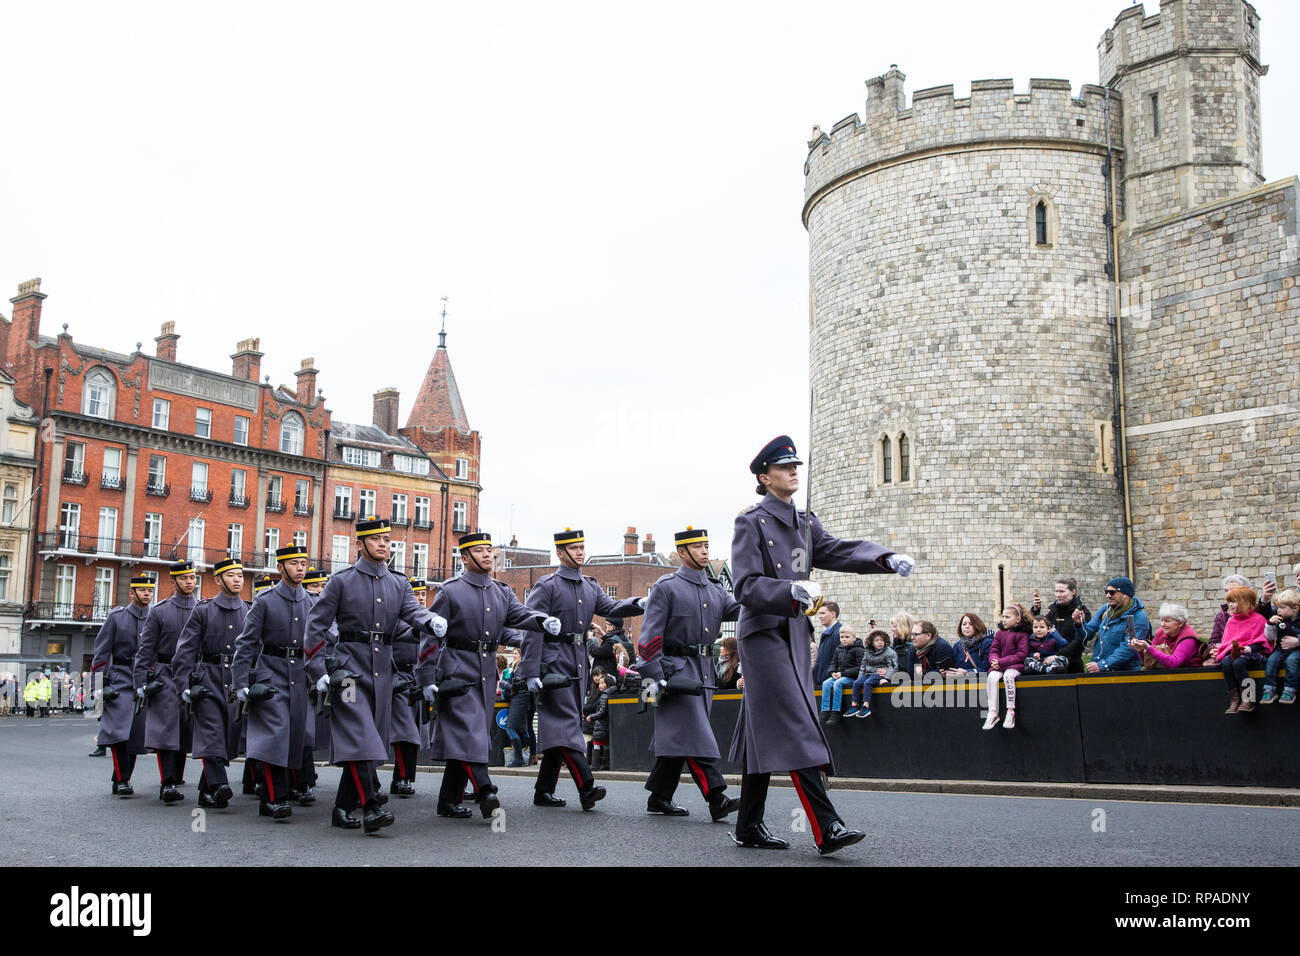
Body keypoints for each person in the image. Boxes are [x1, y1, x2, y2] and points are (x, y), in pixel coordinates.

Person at [729, 435, 914, 856]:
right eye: (784, 467)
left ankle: (748, 825)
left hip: (795, 634)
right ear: (764, 477)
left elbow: (838, 551)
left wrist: (885, 558)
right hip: (763, 635)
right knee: (796, 720)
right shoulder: (750, 522)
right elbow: (745, 586)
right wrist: (789, 590)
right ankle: (826, 825)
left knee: (765, 726)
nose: (793, 471)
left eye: (795, 465)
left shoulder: (804, 522)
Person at [304, 517, 447, 834]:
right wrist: (318, 670)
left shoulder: (399, 583)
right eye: (375, 539)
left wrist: (430, 621)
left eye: (386, 539)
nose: (383, 544)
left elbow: (413, 612)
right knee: (359, 733)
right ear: (359, 544)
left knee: (367, 739)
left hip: (382, 672)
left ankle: (342, 808)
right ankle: (371, 806)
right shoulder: (341, 581)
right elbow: (315, 626)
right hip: (348, 673)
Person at [416, 532, 554, 819]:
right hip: (457, 669)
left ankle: (448, 802)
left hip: (487, 672)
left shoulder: (501, 591)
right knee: (470, 732)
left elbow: (520, 615)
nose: (487, 555)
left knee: (467, 735)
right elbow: (431, 635)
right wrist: (427, 676)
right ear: (465, 558)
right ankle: (485, 791)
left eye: (489, 550)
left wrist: (542, 621)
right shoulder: (450, 591)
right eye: (479, 551)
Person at [520, 527, 645, 811]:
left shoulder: (589, 586)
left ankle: (543, 791)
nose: (580, 552)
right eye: (574, 548)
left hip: (577, 659)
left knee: (563, 726)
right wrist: (530, 670)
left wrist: (638, 603)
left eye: (582, 547)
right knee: (566, 724)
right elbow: (531, 627)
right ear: (560, 552)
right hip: (554, 661)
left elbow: (612, 607)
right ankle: (586, 786)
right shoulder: (547, 586)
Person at [635, 526, 742, 819]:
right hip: (675, 673)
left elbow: (743, 609)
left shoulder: (716, 589)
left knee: (681, 736)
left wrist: (771, 594)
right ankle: (716, 797)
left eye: (706, 545)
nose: (704, 551)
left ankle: (659, 797)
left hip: (704, 671)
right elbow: (648, 636)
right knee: (695, 733)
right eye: (697, 547)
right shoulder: (666, 587)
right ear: (682, 552)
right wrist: (654, 675)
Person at [232, 546, 316, 822]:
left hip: (300, 676)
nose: (300, 568)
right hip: (271, 674)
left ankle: (286, 790)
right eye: (294, 563)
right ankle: (273, 798)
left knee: (295, 735)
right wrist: (240, 683)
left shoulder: (311, 603)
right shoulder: (265, 601)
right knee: (274, 736)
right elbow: (246, 643)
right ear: (280, 568)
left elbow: (322, 640)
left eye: (303, 563)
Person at [174, 557, 248, 809]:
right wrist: (184, 685)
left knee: (227, 735)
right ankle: (219, 784)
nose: (237, 580)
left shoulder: (249, 611)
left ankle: (206, 792)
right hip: (208, 677)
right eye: (231, 575)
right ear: (218, 580)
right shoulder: (203, 610)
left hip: (235, 679)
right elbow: (185, 650)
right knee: (211, 731)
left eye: (240, 575)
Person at [134, 560, 199, 804]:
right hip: (165, 673)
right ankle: (168, 782)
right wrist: (140, 682)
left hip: (193, 672)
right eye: (183, 578)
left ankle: (177, 777)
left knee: (185, 728)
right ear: (173, 581)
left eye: (192, 577)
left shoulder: (202, 609)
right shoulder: (159, 611)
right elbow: (146, 650)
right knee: (166, 729)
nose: (189, 582)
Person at [90, 575, 154, 796]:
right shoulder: (117, 617)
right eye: (142, 590)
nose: (147, 594)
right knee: (119, 732)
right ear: (132, 593)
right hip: (119, 678)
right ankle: (122, 779)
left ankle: (120, 777)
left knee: (136, 734)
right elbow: (100, 655)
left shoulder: (155, 618)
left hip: (143, 680)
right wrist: (98, 686)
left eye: (150, 591)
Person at [387, 576, 427, 798]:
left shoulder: (429, 618)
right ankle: (401, 777)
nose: (420, 598)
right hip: (399, 677)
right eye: (416, 594)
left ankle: (404, 777)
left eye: (423, 594)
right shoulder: (395, 618)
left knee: (415, 733)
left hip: (418, 679)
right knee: (406, 732)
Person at [1214, 585, 1270, 714]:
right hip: (1236, 652)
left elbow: (1262, 639)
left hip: (1254, 653)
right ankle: (1234, 699)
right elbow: (1227, 641)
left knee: (1239, 663)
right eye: (1229, 602)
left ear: (1245, 602)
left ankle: (1248, 698)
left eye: (1233, 601)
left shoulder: (1258, 619)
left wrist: (1250, 647)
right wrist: (1230, 649)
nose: (1230, 605)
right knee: (1226, 663)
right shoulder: (1231, 621)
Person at [1074, 577, 1147, 673]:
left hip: (1123, 674)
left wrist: (1103, 665)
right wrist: (1080, 624)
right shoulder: (1106, 609)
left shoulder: (1137, 617)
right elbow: (1088, 633)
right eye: (1106, 592)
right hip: (1097, 671)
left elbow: (1129, 648)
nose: (1108, 595)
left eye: (1112, 592)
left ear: (1126, 594)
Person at [983, 604, 1031, 729]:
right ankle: (992, 712)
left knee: (1008, 676)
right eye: (1002, 616)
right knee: (992, 677)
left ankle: (1010, 711)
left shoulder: (1022, 634)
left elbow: (1022, 654)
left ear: (1018, 619)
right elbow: (994, 649)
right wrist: (994, 661)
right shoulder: (999, 633)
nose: (1003, 619)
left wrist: (1002, 662)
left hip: (1015, 666)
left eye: (1007, 617)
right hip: (999, 665)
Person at [1030, 578, 1090, 672]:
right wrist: (1036, 610)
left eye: (1061, 591)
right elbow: (1039, 627)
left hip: (1072, 664)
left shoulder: (1082, 612)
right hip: (1050, 663)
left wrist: (1058, 655)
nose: (1058, 595)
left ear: (1073, 592)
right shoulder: (1054, 611)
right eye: (1056, 591)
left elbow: (1080, 640)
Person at [1127, 604, 1205, 670]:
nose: (1162, 624)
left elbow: (1174, 663)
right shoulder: (1161, 633)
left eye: (1167, 621)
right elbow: (1149, 660)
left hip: (1188, 677)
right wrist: (1140, 650)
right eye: (1162, 620)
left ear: (1180, 623)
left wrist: (1148, 648)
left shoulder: (1188, 638)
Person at [1261, 589, 1300, 705]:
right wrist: (1270, 624)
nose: (1278, 610)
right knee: (1272, 660)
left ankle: (1289, 691)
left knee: (1292, 660)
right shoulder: (1278, 618)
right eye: (1278, 607)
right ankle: (1269, 689)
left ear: (1295, 608)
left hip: (1297, 650)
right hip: (1281, 649)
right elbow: (1270, 637)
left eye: (1282, 608)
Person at [846, 627, 896, 718]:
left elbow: (893, 666)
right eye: (877, 640)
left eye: (882, 640)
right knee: (856, 683)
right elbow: (863, 665)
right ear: (872, 642)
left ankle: (866, 706)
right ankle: (854, 705)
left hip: (878, 674)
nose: (880, 642)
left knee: (867, 683)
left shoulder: (890, 652)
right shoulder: (867, 651)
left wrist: (886, 678)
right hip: (868, 673)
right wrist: (860, 678)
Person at [819, 625, 863, 724]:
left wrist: (842, 674)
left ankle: (836, 712)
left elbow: (859, 668)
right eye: (842, 637)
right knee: (826, 683)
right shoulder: (838, 649)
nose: (844, 639)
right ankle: (824, 710)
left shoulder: (859, 650)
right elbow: (833, 663)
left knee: (837, 684)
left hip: (851, 676)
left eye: (847, 637)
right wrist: (832, 672)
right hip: (839, 674)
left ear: (854, 638)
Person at [813, 602, 842, 685]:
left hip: (830, 682)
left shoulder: (839, 633)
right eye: (819, 613)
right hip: (823, 681)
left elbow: (840, 659)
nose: (820, 616)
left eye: (823, 613)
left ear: (833, 614)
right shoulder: (827, 633)